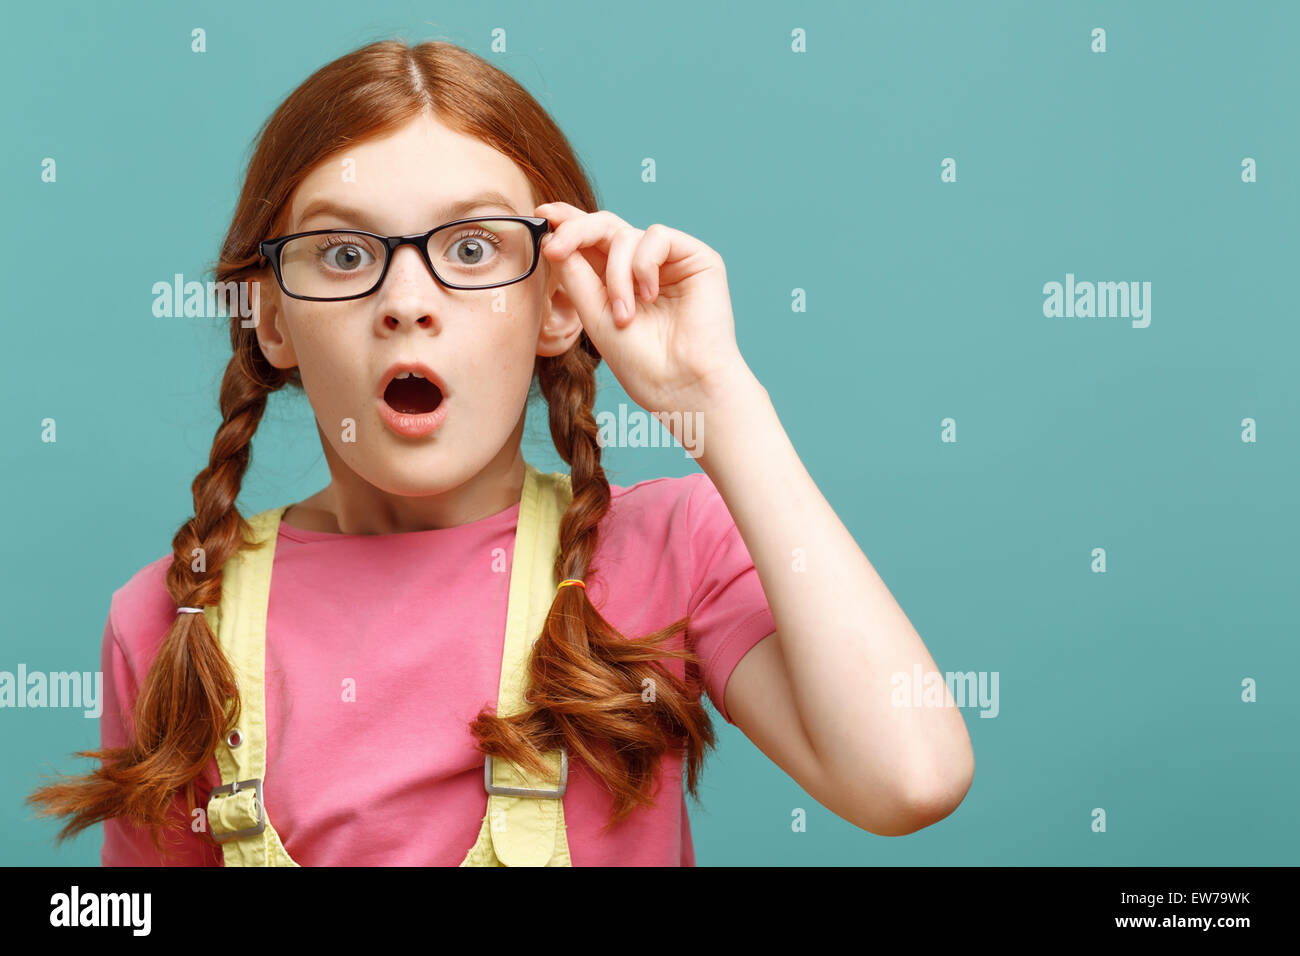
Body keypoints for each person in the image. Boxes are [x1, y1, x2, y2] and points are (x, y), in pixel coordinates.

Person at [27, 38, 974, 866]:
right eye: (345, 255)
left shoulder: (665, 553)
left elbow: (910, 779)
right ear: (271, 317)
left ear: (558, 302)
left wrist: (714, 400)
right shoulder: (169, 616)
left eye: (472, 249)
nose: (407, 300)